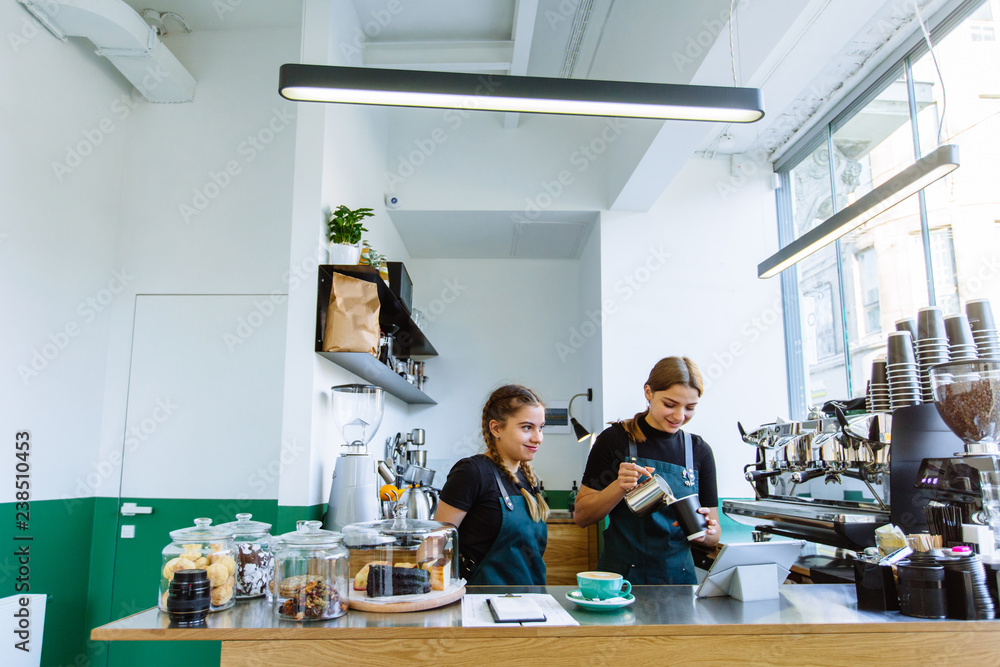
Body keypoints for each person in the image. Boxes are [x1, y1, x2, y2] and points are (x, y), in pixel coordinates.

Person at [574, 357, 719, 585]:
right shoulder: (614, 441)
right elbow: (581, 516)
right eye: (670, 405)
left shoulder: (700, 451)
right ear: (648, 392)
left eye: (690, 408)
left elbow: (714, 536)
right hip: (621, 582)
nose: (679, 416)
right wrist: (618, 487)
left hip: (679, 582)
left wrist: (706, 532)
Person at [435, 384, 549, 585]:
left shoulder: (527, 478)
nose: (538, 438)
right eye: (526, 427)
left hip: (530, 599)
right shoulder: (472, 472)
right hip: (480, 602)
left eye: (541, 428)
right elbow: (435, 543)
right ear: (496, 428)